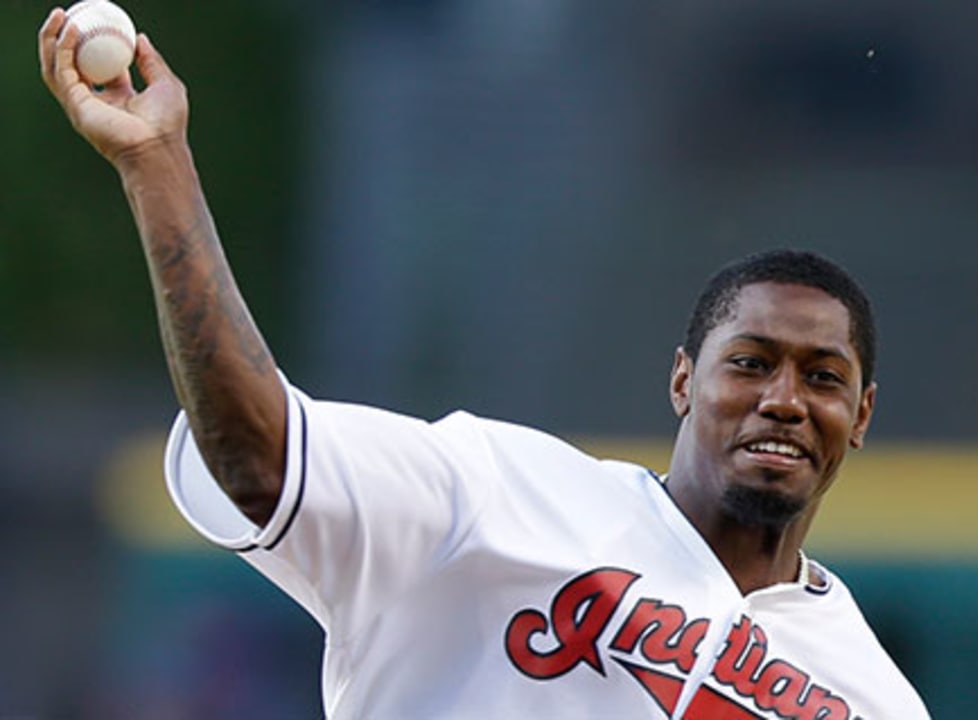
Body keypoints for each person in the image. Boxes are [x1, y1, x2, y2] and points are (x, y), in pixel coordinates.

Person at [39, 8, 930, 719]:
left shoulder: (870, 697)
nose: (784, 398)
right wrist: (158, 167)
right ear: (681, 381)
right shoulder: (496, 493)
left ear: (862, 416)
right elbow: (256, 455)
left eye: (823, 377)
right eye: (750, 363)